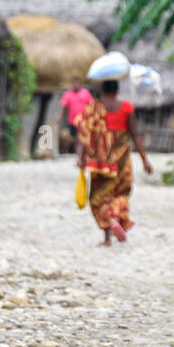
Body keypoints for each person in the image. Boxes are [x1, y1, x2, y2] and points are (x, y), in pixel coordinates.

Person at [76, 79, 153, 246]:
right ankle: (116, 218)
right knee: (120, 193)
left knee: (98, 196)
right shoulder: (127, 108)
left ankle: (107, 234)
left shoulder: (93, 108)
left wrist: (81, 158)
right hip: (122, 158)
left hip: (100, 160)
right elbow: (135, 135)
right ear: (117, 88)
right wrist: (144, 160)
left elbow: (85, 134)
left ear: (102, 88)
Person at [59, 78, 93, 153]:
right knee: (75, 137)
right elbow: (63, 106)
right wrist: (59, 117)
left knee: (79, 137)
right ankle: (78, 152)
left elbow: (91, 104)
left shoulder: (85, 93)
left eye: (76, 83)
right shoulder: (68, 94)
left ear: (80, 84)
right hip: (72, 121)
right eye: (73, 83)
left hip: (83, 120)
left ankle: (80, 153)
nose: (75, 85)